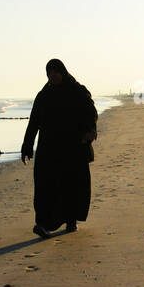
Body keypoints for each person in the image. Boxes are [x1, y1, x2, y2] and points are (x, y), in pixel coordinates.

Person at [21, 59, 98, 237]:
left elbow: (91, 113)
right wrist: (27, 145)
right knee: (44, 186)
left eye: (56, 72)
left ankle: (71, 220)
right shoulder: (44, 95)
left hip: (73, 148)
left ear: (62, 72)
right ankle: (43, 223)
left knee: (71, 185)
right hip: (48, 149)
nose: (53, 76)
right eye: (50, 73)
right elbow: (34, 122)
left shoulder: (77, 91)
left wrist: (90, 131)